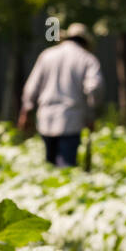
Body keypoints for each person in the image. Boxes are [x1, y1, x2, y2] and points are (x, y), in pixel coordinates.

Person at [18, 23, 104, 167]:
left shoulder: (47, 55)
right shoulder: (87, 59)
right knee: (66, 167)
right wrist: (91, 114)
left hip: (46, 118)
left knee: (50, 166)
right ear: (85, 41)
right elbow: (95, 87)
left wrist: (26, 110)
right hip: (71, 120)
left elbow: (32, 86)